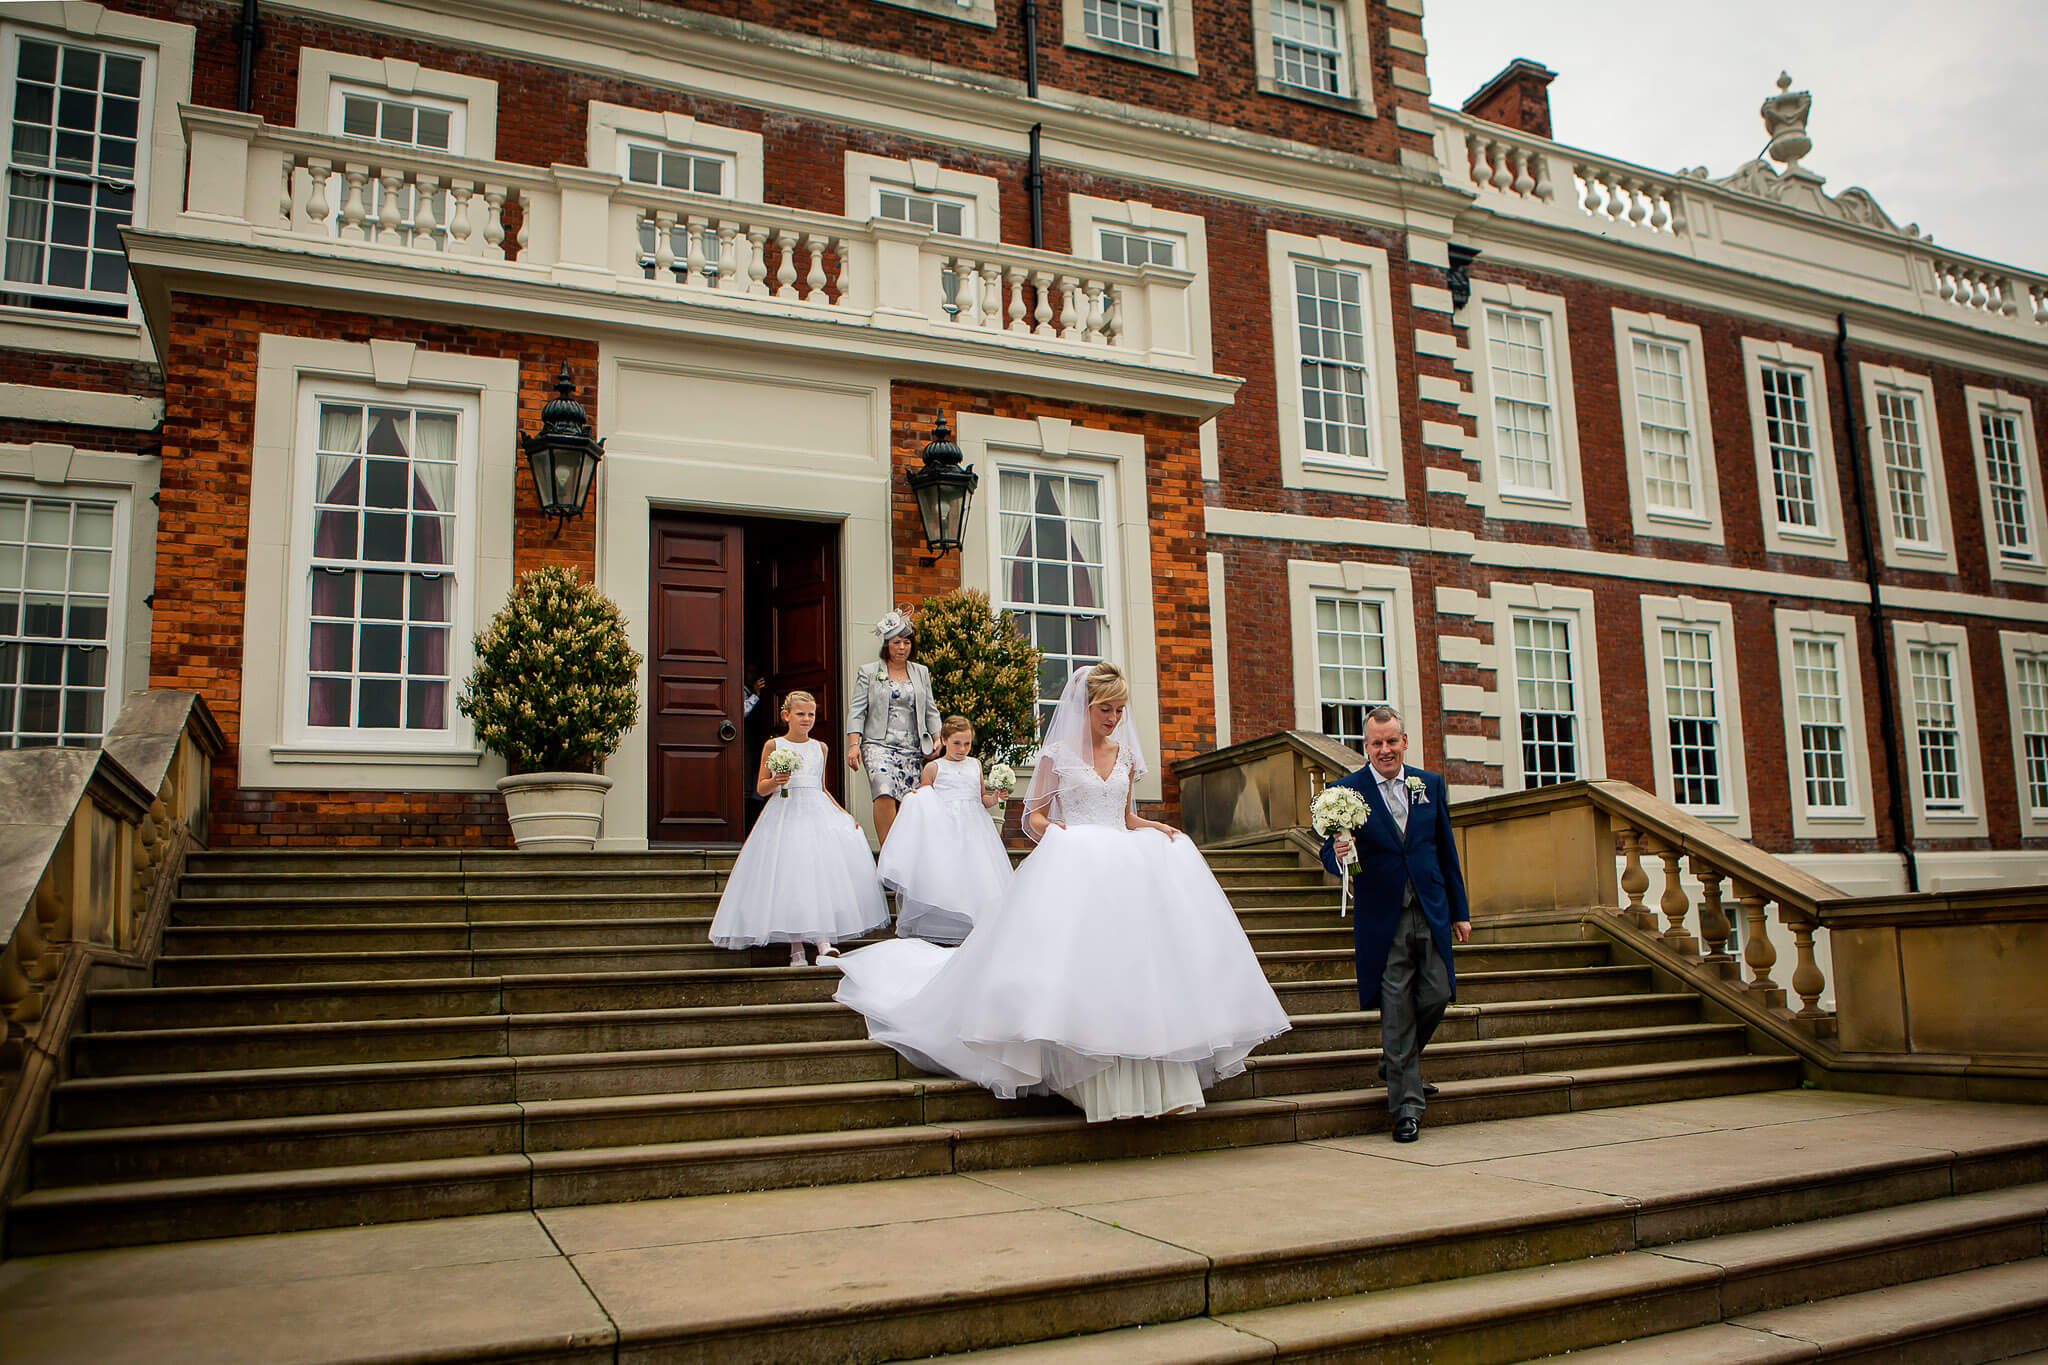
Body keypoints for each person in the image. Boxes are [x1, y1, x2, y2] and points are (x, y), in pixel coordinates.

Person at [835, 663, 1290, 1122]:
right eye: (1105, 709)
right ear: (1086, 706)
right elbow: (1033, 819)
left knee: (1140, 966)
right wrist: (1059, 833)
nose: (1113, 718)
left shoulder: (1126, 755)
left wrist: (1157, 827)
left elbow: (1126, 817)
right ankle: (1091, 1081)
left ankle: (1156, 1081)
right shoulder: (1059, 755)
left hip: (1124, 865)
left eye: (1120, 709)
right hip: (1076, 860)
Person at [1316, 705, 1471, 1144]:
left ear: (1405, 742)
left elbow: (1445, 850)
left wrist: (1460, 911)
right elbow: (1328, 853)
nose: (1385, 749)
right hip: (1383, 917)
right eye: (1376, 743)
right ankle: (1406, 1109)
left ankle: (1397, 1062)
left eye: (1392, 741)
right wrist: (1339, 853)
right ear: (1365, 747)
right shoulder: (1346, 790)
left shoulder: (1430, 785)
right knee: (1397, 1007)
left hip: (1431, 908)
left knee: (1438, 992)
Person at [709, 691, 889, 966]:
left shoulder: (821, 748)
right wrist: (777, 780)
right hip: (785, 811)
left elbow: (823, 787)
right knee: (791, 876)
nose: (806, 719)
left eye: (811, 714)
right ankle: (795, 948)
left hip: (816, 810)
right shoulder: (774, 745)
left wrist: (843, 813)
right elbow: (760, 787)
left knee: (818, 873)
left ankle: (823, 941)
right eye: (800, 714)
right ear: (786, 716)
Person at [876, 715, 1012, 944]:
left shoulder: (975, 764)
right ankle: (945, 921)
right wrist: (914, 799)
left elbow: (981, 799)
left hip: (975, 828)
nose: (963, 749)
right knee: (947, 875)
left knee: (976, 875)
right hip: (945, 829)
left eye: (967, 743)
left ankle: (974, 926)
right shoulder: (933, 768)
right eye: (957, 743)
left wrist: (996, 797)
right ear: (945, 741)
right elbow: (924, 806)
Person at [846, 607, 942, 847]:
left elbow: (930, 709)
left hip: (911, 746)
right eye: (897, 642)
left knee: (907, 801)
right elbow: (857, 711)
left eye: (907, 642)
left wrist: (937, 737)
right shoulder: (869, 672)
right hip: (877, 744)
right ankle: (887, 851)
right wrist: (853, 745)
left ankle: (902, 856)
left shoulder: (921, 672)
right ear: (887, 644)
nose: (902, 647)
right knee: (884, 790)